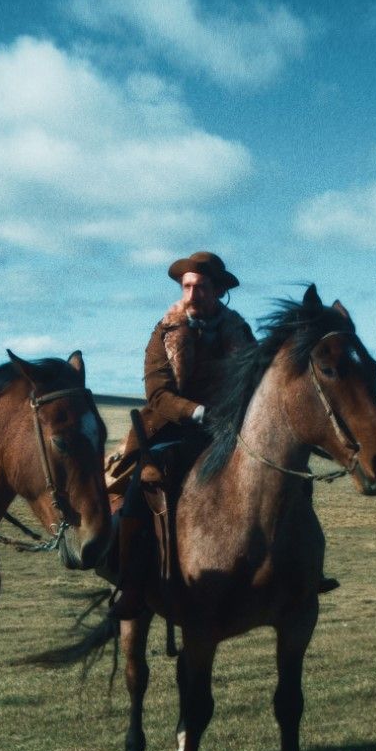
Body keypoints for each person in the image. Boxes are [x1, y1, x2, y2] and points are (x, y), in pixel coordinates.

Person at [110, 251, 255, 619]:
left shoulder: (240, 332)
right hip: (172, 429)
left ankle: (297, 569)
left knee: (288, 475)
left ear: (218, 290)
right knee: (141, 489)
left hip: (230, 430)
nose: (192, 295)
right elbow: (157, 394)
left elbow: (256, 380)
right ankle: (131, 585)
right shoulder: (165, 332)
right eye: (187, 287)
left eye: (201, 287)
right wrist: (198, 412)